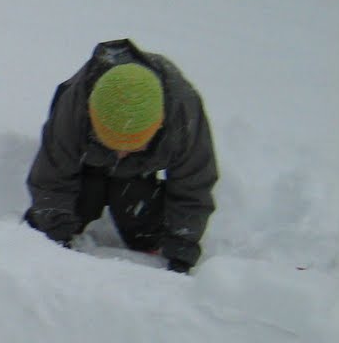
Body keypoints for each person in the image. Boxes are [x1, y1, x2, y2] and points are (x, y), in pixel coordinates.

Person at [24, 38, 216, 272]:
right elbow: (52, 177)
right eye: (112, 143)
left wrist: (182, 248)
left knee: (144, 229)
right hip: (87, 167)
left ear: (158, 125)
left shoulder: (183, 113)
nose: (121, 153)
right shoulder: (74, 105)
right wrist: (55, 239)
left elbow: (193, 185)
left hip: (139, 176)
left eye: (132, 146)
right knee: (61, 215)